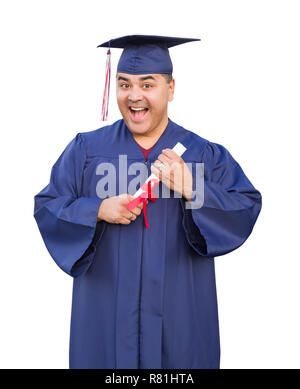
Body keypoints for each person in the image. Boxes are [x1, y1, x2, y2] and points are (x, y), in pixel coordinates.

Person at [33, 35, 262, 369]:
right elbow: (47, 205)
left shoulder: (202, 154)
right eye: (124, 84)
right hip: (105, 324)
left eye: (147, 84)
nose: (134, 96)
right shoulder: (86, 150)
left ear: (170, 90)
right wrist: (97, 210)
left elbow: (246, 205)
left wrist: (194, 187)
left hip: (180, 326)